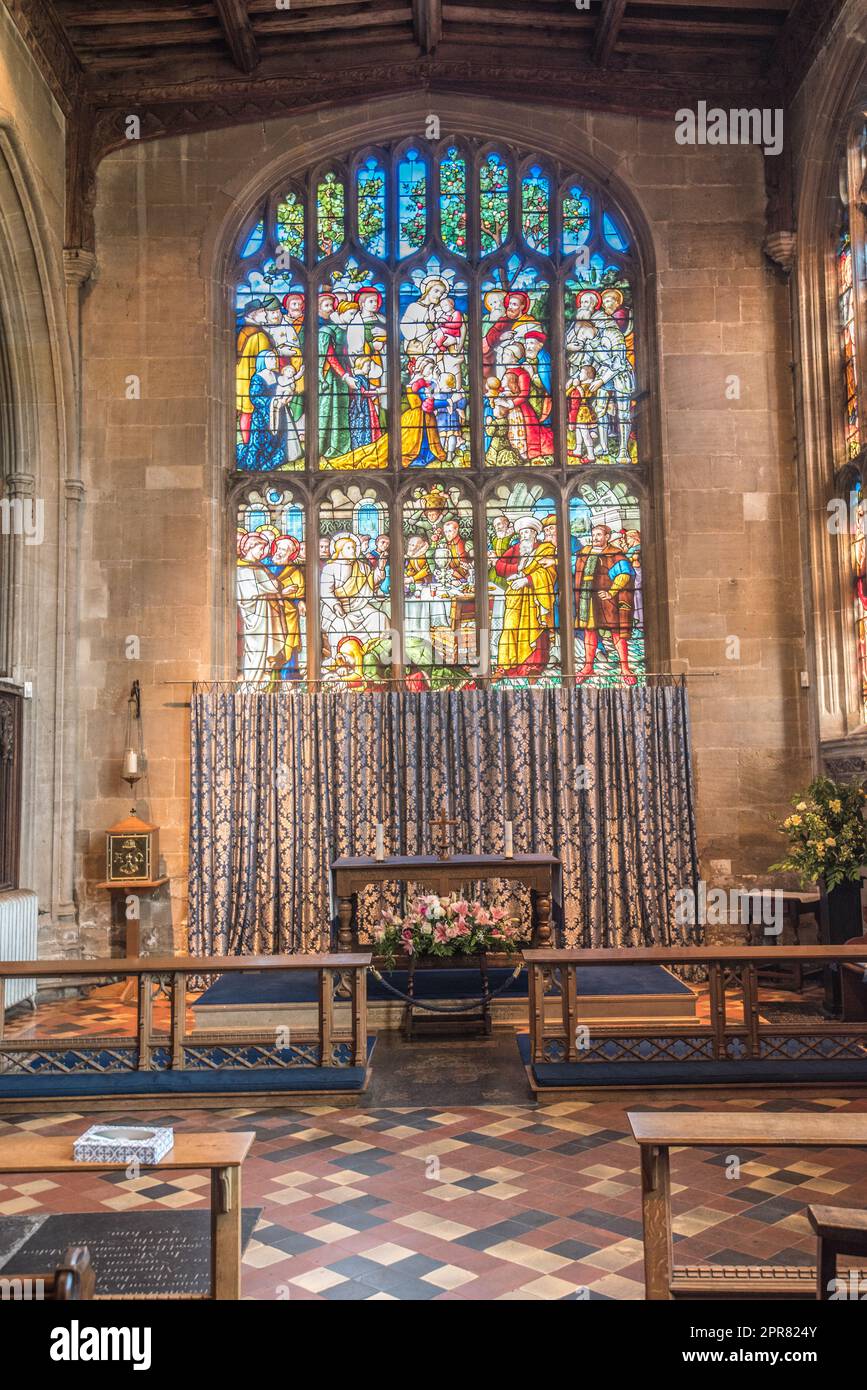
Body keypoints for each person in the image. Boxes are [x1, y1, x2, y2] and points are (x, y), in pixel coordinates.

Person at [573, 521, 637, 684]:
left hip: (608, 600)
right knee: (589, 631)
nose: (595, 538)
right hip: (587, 599)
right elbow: (573, 569)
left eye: (599, 534)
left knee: (617, 633)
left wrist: (612, 592)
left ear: (607, 537)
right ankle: (588, 667)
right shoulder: (584, 553)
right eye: (593, 535)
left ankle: (625, 668)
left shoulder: (615, 554)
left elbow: (624, 575)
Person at [493, 516, 556, 679]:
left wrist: (526, 580)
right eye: (522, 533)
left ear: (535, 534)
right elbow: (499, 566)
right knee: (510, 627)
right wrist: (516, 569)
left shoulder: (546, 548)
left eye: (527, 532)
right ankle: (505, 666)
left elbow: (547, 572)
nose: (524, 536)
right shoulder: (515, 549)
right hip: (515, 595)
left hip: (536, 595)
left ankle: (534, 667)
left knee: (535, 629)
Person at [236, 531, 286, 682]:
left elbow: (271, 585)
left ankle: (262, 677)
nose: (263, 553)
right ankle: (252, 682)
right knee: (255, 647)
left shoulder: (258, 567)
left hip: (265, 614)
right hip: (254, 616)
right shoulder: (243, 569)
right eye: (260, 549)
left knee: (263, 646)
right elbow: (270, 586)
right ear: (250, 547)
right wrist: (274, 586)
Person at [239, 349, 285, 470]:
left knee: (278, 442)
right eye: (270, 358)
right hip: (262, 417)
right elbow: (255, 397)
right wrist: (271, 402)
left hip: (278, 414)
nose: (274, 360)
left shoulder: (278, 376)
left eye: (274, 358)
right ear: (263, 361)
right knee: (260, 444)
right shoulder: (257, 378)